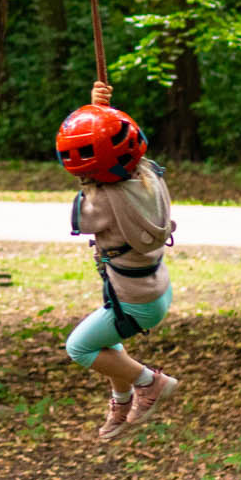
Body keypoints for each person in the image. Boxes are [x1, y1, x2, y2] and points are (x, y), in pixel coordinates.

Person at [59, 82, 181, 443]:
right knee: (106, 343)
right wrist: (101, 111)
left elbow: (84, 204)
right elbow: (115, 147)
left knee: (79, 348)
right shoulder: (147, 173)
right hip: (152, 288)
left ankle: (150, 382)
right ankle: (121, 401)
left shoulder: (101, 203)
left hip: (135, 302)